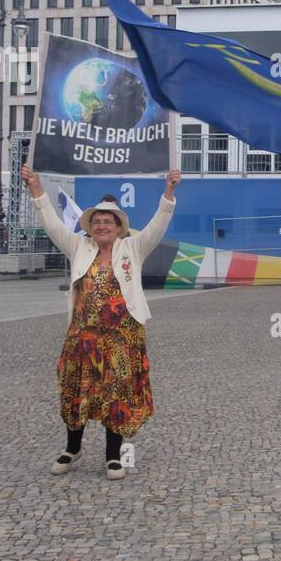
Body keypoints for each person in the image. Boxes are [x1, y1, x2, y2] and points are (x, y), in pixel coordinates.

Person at [22, 163, 179, 481]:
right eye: (97, 221)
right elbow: (52, 224)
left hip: (123, 338)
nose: (102, 225)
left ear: (119, 226)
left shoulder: (132, 248)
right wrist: (36, 189)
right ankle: (72, 448)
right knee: (75, 391)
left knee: (116, 395)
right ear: (90, 226)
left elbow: (157, 225)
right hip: (82, 337)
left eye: (108, 221)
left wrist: (169, 194)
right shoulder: (78, 246)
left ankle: (112, 457)